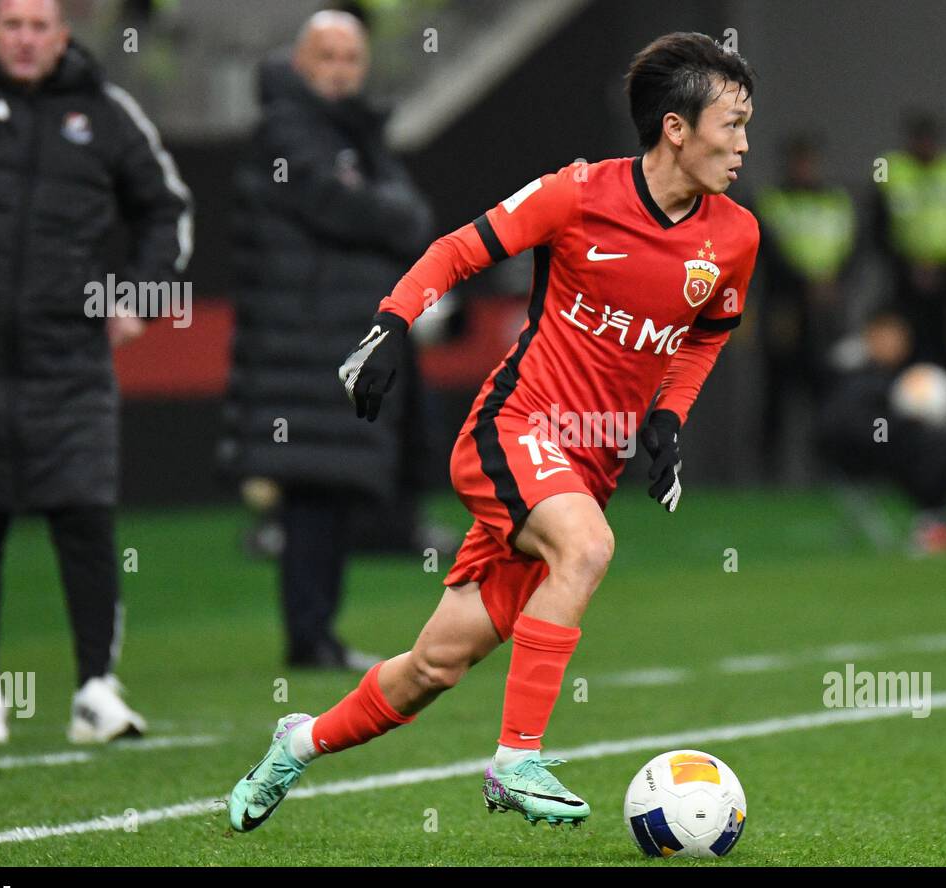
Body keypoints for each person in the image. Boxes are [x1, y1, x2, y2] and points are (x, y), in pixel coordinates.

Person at [227, 31, 759, 831]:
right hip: (513, 429)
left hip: (586, 467)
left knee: (432, 668)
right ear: (676, 129)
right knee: (586, 550)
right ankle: (516, 760)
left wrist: (669, 419)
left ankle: (296, 744)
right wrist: (390, 326)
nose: (745, 144)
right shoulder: (576, 194)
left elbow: (707, 335)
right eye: (732, 124)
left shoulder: (735, 237)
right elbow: (456, 250)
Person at [0, 0, 192, 744]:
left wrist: (140, 295)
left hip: (67, 358)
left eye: (37, 26)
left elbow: (166, 209)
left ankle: (95, 689)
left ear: (61, 36)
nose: (23, 39)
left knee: (84, 519)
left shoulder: (105, 114)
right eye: (10, 24)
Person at [219, 11, 433, 670]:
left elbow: (410, 216)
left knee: (335, 489)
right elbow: (360, 209)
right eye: (327, 56)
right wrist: (384, 210)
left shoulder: (354, 135)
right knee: (312, 489)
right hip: (302, 342)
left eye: (350, 57)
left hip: (340, 339)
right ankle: (309, 635)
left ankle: (321, 634)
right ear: (301, 62)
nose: (339, 68)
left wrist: (386, 209)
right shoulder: (289, 132)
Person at [818, 309, 946, 554]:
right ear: (873, 336)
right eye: (892, 337)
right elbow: (852, 425)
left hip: (880, 447)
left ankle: (936, 520)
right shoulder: (854, 373)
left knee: (942, 444)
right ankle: (933, 524)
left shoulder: (889, 373)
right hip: (854, 453)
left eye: (902, 338)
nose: (898, 344)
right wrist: (904, 426)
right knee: (936, 448)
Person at [753, 135, 857, 479]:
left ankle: (827, 470)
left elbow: (852, 248)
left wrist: (834, 282)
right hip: (786, 307)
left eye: (809, 161)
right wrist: (806, 284)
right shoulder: (772, 201)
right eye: (798, 161)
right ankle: (768, 472)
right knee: (777, 388)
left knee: (826, 389)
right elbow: (767, 250)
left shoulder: (836, 201)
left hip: (826, 311)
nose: (804, 169)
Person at [872, 112, 946, 404]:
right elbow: (877, 229)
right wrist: (907, 264)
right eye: (919, 139)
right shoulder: (891, 169)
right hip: (908, 283)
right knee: (906, 352)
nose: (925, 145)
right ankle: (904, 422)